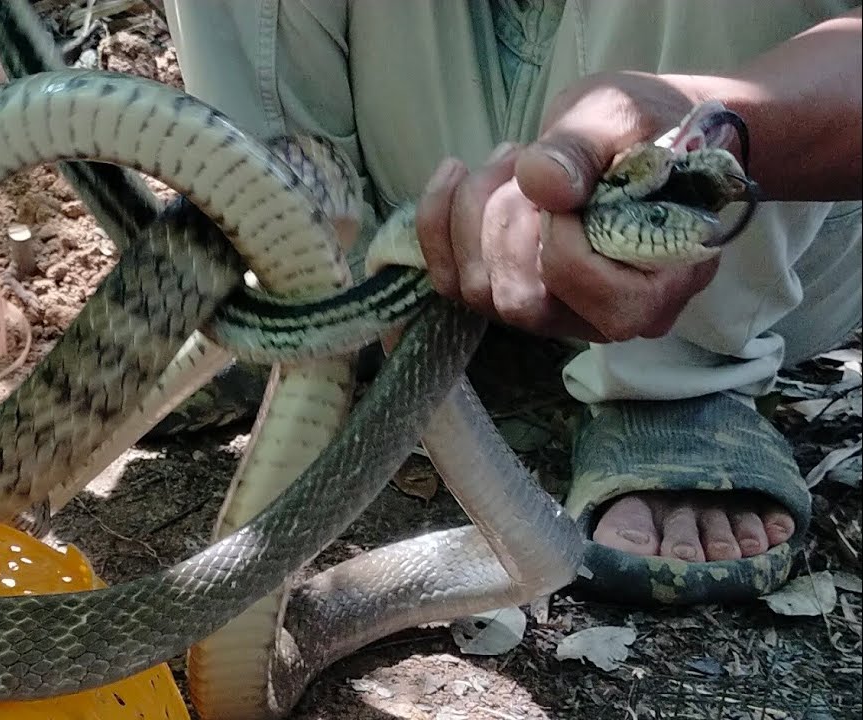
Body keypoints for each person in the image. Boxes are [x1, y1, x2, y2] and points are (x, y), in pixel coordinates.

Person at [162, 1, 862, 605]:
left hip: (762, 179)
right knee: (317, 279)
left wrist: (716, 123)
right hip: (414, 156)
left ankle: (678, 380)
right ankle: (308, 288)